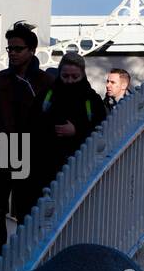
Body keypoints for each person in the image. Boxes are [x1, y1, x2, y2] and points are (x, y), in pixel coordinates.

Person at [0, 22, 53, 257]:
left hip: (31, 151)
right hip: (3, 149)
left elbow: (53, 116)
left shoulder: (45, 83)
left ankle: (22, 258)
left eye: (18, 49)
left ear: (31, 50)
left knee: (26, 210)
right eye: (10, 49)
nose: (13, 53)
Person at [37, 52, 107, 192]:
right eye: (65, 76)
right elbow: (34, 123)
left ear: (82, 74)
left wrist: (77, 131)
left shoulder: (92, 99)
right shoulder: (47, 95)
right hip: (47, 163)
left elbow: (102, 130)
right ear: (59, 73)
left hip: (81, 164)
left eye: (75, 77)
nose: (69, 81)